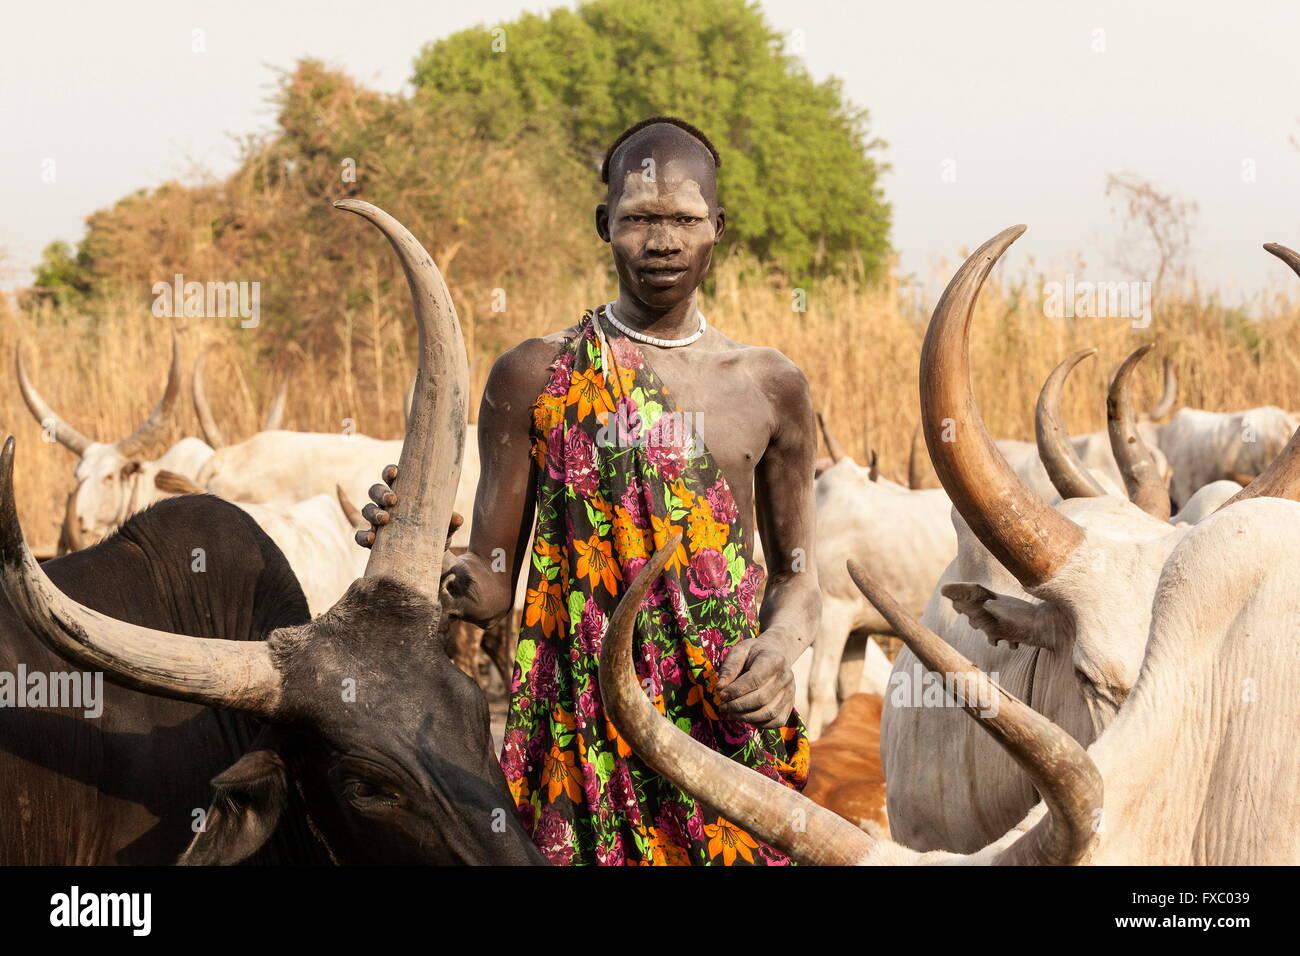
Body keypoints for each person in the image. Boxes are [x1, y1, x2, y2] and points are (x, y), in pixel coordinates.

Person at [361, 116, 821, 865]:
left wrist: (777, 652)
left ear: (718, 227)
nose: (662, 241)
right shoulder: (534, 374)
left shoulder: (772, 387)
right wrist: (417, 548)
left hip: (724, 728)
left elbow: (799, 576)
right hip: (578, 742)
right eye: (639, 219)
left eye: (683, 219)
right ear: (605, 224)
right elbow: (489, 586)